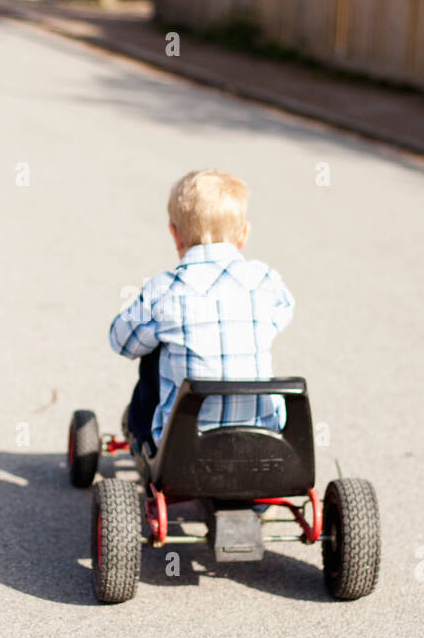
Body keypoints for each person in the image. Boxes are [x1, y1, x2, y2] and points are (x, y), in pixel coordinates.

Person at [109, 169, 295, 453]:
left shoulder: (163, 290)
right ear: (244, 233)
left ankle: (141, 437)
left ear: (174, 234)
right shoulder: (265, 281)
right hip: (263, 437)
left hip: (184, 445)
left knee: (151, 351)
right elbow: (283, 314)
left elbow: (122, 343)